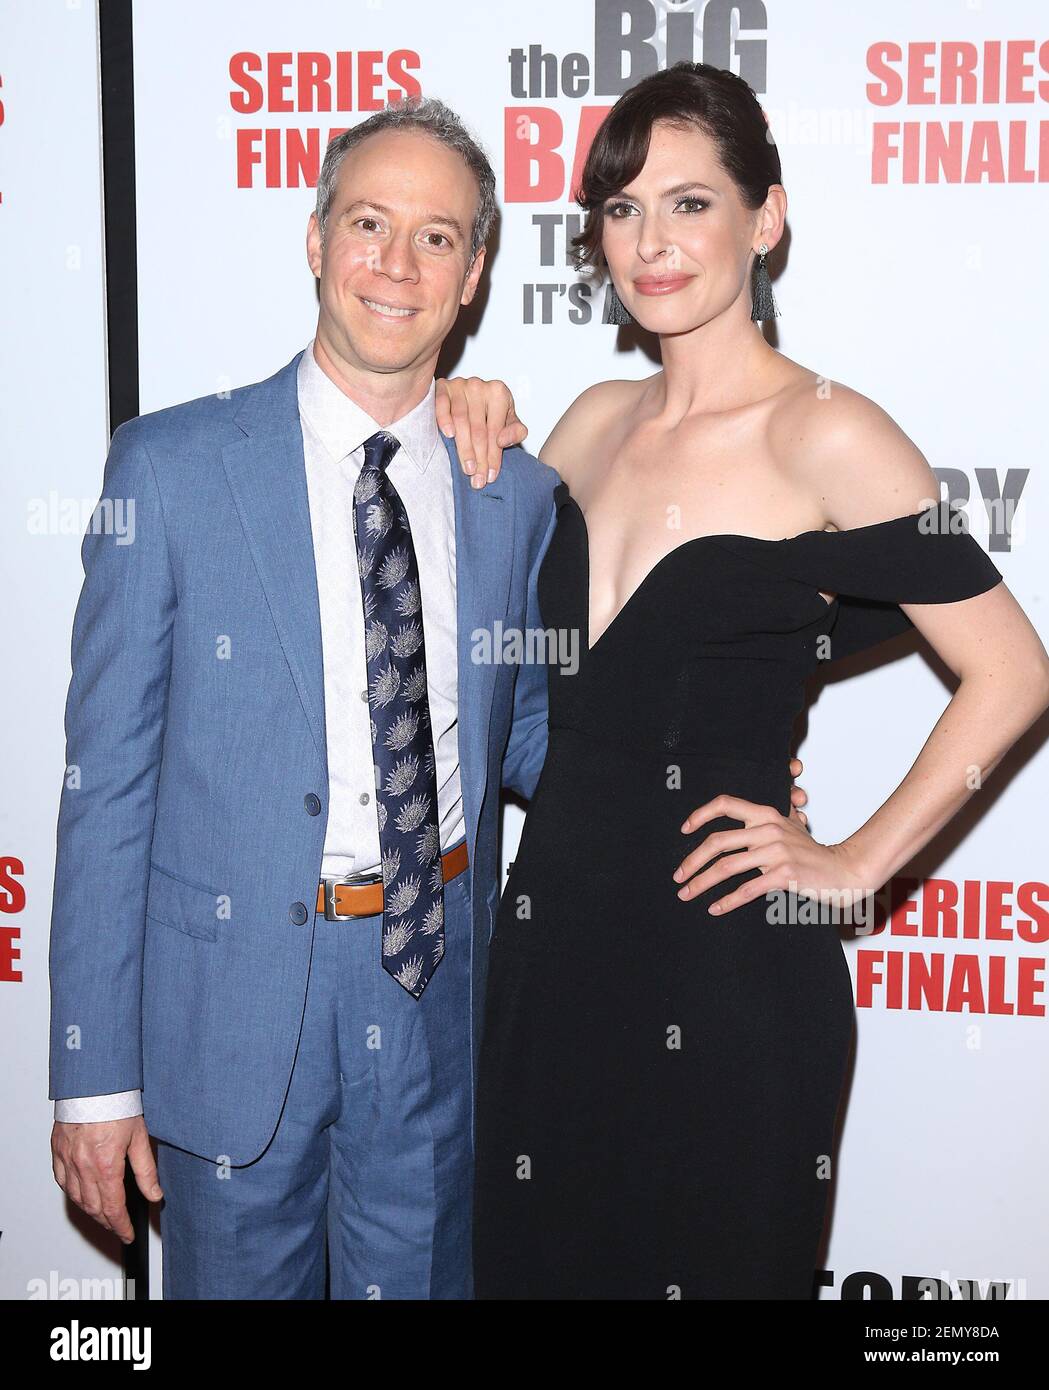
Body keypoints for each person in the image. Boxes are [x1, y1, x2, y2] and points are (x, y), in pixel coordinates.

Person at [46, 91, 811, 1300]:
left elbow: (546, 740)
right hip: (234, 1018)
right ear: (314, 242)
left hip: (442, 1000)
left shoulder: (511, 493)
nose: (395, 266)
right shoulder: (173, 468)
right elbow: (105, 791)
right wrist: (92, 1080)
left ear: (474, 275)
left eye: (437, 237)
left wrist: (718, 772)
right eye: (367, 224)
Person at [441, 63, 1049, 1299]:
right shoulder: (582, 424)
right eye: (620, 210)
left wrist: (854, 862)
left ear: (764, 219)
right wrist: (463, 410)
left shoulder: (825, 431)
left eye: (688, 204)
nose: (650, 243)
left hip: (720, 983)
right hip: (546, 969)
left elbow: (1011, 668)